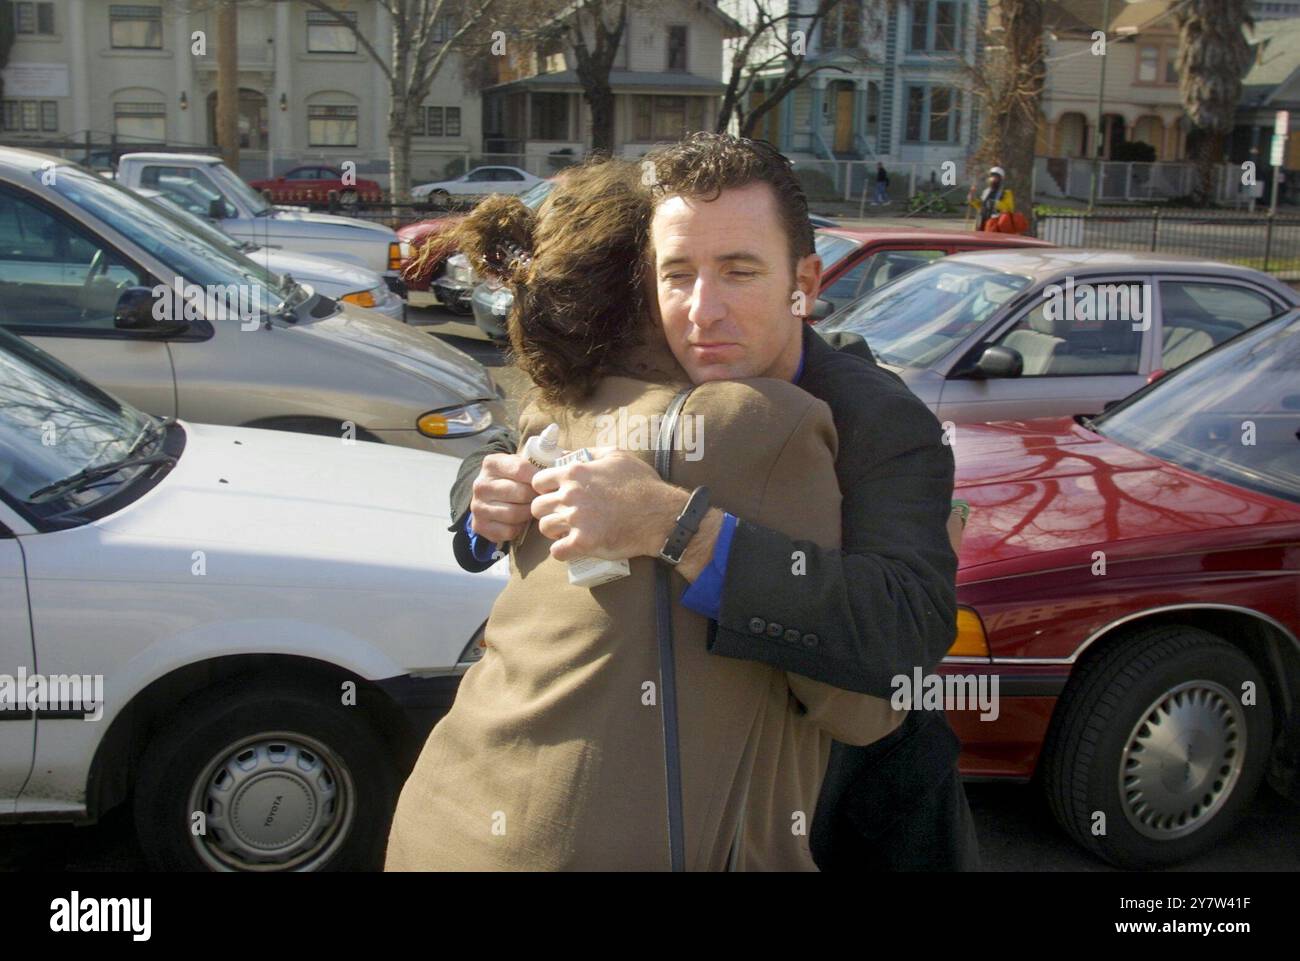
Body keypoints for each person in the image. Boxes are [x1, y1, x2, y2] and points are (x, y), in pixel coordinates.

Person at [452, 133, 980, 871]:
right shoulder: (648, 358)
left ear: (806, 282)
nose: (703, 311)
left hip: (857, 811)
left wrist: (679, 529)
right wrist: (484, 505)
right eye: (679, 274)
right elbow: (526, 429)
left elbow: (906, 628)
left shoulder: (880, 419)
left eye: (739, 272)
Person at [970, 164, 1017, 231]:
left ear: (1001, 179)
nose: (993, 179)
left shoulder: (1006, 193)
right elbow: (981, 206)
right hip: (982, 222)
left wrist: (995, 203)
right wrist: (973, 199)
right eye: (992, 176)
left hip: (996, 224)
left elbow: (1009, 210)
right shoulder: (986, 191)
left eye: (996, 177)